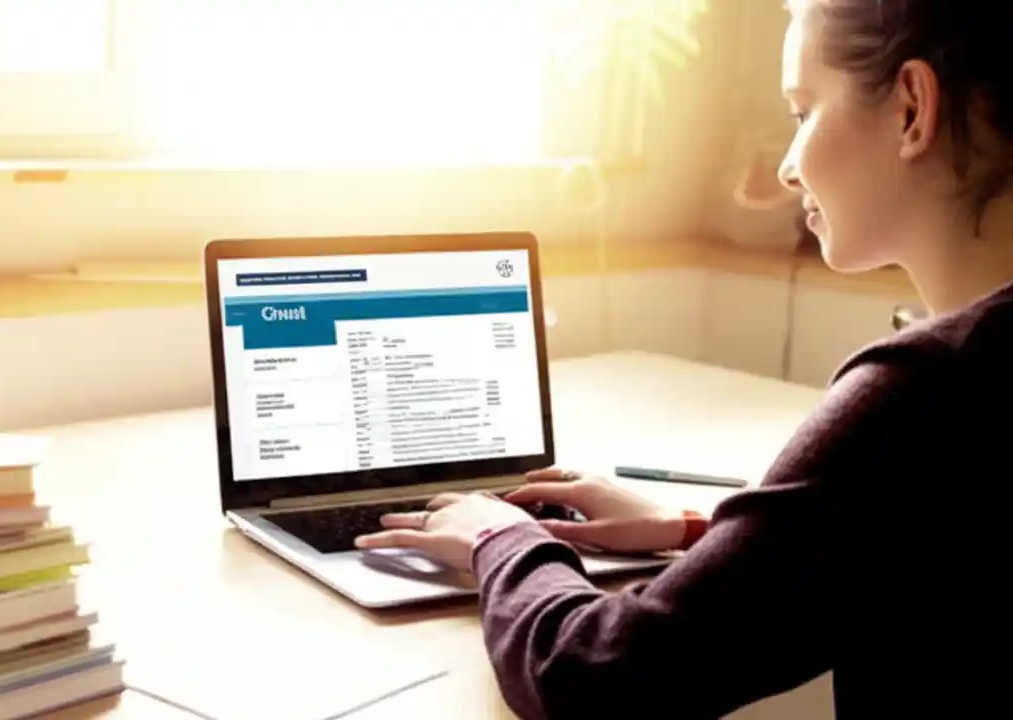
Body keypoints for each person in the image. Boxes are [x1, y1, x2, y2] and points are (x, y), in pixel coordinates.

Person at [354, 1, 1013, 717]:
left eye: (801, 111)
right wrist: (704, 534)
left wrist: (499, 535)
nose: (790, 168)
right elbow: (908, 547)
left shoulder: (931, 388)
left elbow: (594, 679)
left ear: (913, 108)